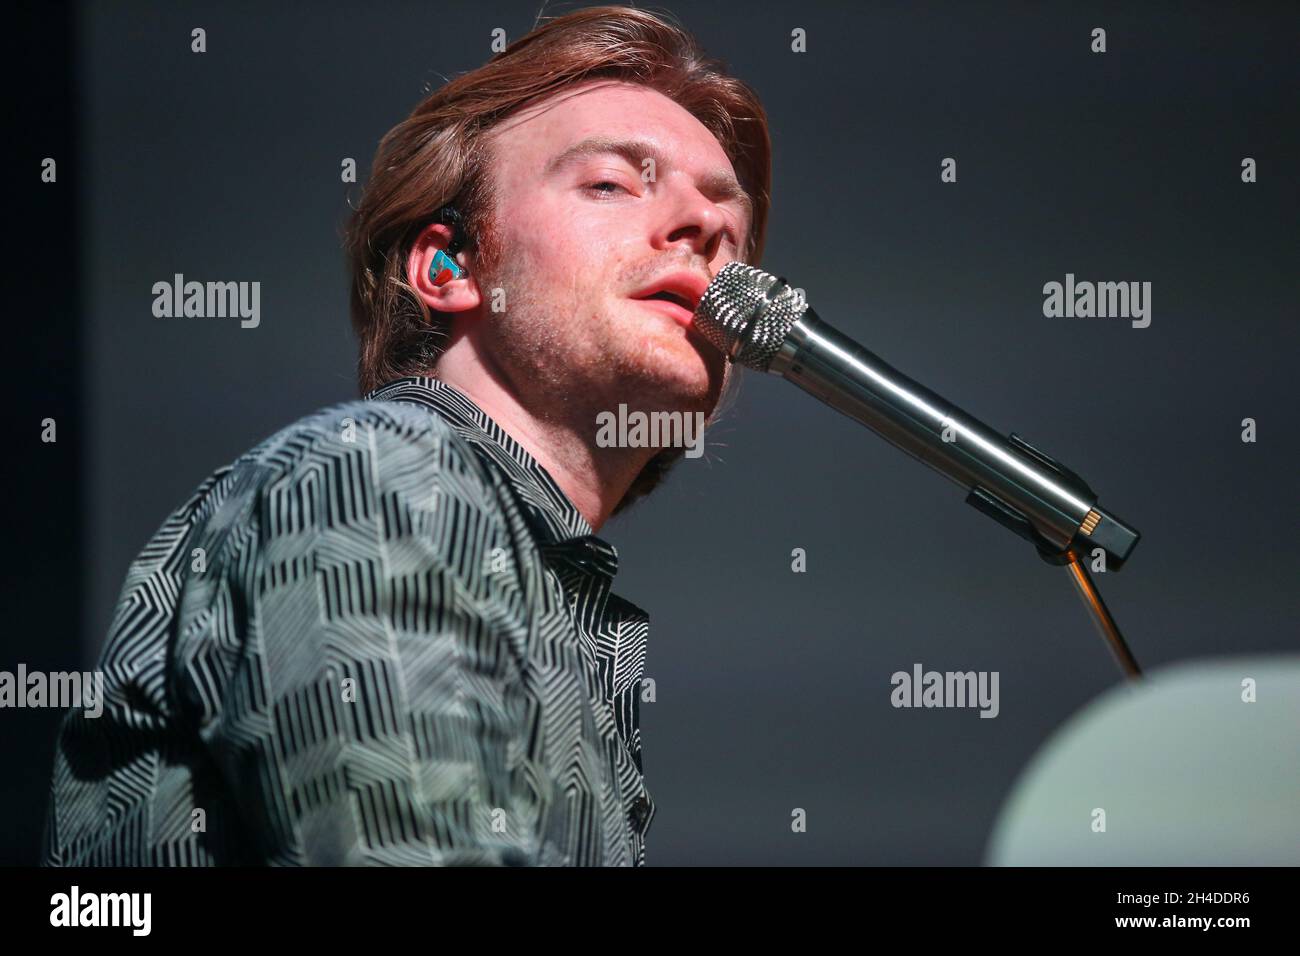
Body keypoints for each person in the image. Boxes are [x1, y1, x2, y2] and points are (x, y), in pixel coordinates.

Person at [41, 5, 771, 866]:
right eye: (612, 183)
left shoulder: (548, 594)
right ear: (448, 268)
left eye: (730, 224)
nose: (703, 228)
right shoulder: (381, 476)